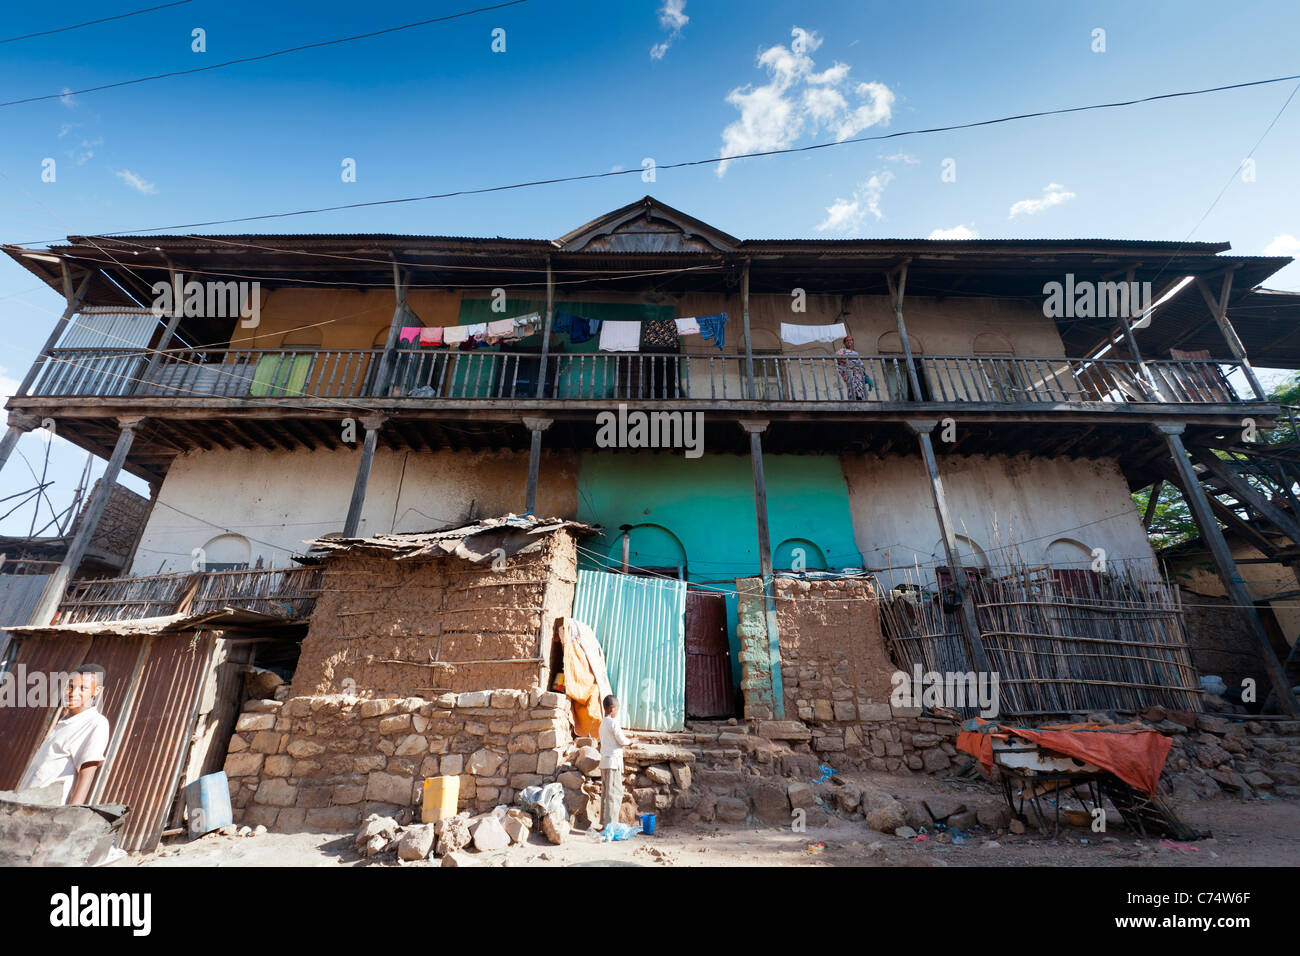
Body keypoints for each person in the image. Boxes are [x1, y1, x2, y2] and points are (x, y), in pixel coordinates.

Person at [18, 664, 111, 805]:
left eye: (83, 688)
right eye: (71, 686)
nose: (73, 693)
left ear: (96, 691)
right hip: (24, 804)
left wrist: (70, 818)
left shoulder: (95, 723)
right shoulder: (63, 722)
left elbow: (86, 776)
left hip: (46, 810)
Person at [598, 693, 630, 827]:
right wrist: (631, 741)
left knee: (606, 794)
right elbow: (621, 740)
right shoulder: (612, 722)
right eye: (617, 709)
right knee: (614, 794)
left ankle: (604, 824)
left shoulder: (602, 723)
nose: (617, 711)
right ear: (612, 708)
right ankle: (611, 826)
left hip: (605, 762)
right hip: (613, 762)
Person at [835, 333, 875, 401]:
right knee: (852, 386)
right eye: (847, 340)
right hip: (849, 372)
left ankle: (860, 399)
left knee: (860, 388)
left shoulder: (856, 353)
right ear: (844, 343)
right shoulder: (842, 351)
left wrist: (866, 377)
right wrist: (847, 362)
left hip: (859, 374)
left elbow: (860, 365)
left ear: (853, 342)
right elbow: (836, 358)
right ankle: (853, 399)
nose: (849, 342)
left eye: (850, 340)